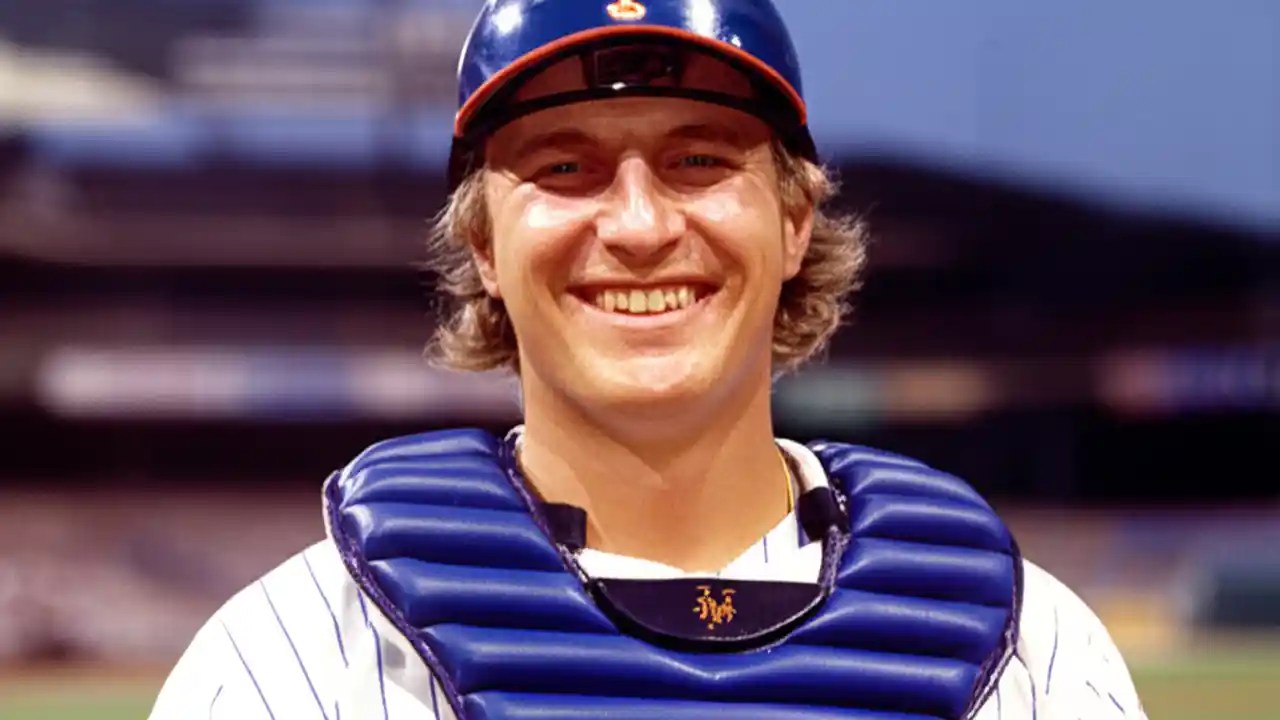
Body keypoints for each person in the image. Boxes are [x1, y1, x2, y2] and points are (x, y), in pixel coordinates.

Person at [150, 1, 1148, 718]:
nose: (634, 225)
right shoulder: (290, 665)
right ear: (486, 247)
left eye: (699, 160)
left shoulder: (1027, 654)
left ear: (794, 224)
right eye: (563, 168)